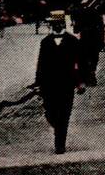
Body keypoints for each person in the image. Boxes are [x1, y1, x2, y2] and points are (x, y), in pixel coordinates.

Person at [35, 13, 84, 154]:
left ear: (63, 24)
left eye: (58, 23)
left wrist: (80, 82)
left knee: (64, 113)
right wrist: (38, 83)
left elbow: (79, 63)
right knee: (51, 112)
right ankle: (56, 126)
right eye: (53, 24)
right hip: (49, 84)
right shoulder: (45, 42)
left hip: (67, 83)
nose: (55, 26)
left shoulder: (72, 41)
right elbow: (41, 63)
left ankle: (60, 144)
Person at [72, 0, 105, 86]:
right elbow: (100, 26)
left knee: (84, 58)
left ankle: (86, 77)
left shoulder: (77, 12)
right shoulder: (95, 12)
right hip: (94, 38)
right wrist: (101, 42)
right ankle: (92, 74)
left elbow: (76, 28)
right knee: (93, 57)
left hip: (84, 38)